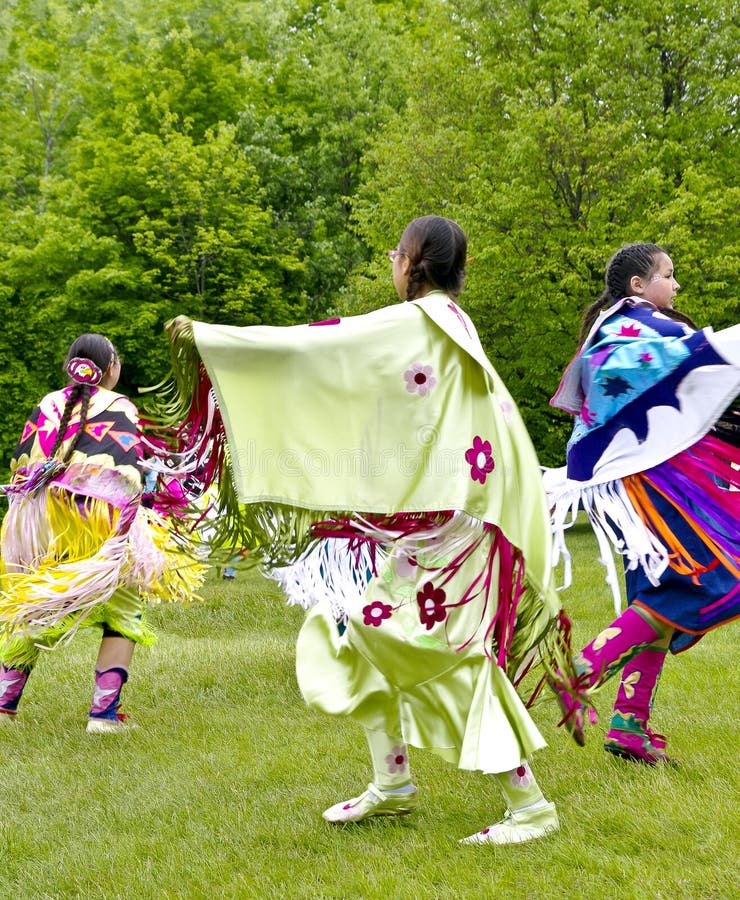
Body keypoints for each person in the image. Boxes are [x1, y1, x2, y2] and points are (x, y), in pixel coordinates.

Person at [158, 215, 568, 845]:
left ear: (413, 261)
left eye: (396, 254)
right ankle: (393, 783)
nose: (392, 263)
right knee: (358, 635)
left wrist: (214, 340)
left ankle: (530, 806)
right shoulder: (447, 321)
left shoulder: (417, 320)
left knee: (448, 656)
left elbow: (318, 348)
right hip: (445, 521)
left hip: (449, 529)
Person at [547, 243, 740, 763]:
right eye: (668, 275)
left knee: (658, 593)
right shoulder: (637, 324)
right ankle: (581, 671)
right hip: (647, 487)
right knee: (707, 579)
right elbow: (704, 355)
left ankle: (629, 724)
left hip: (632, 489)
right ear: (638, 285)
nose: (675, 286)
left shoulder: (616, 329)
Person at [0, 333, 201, 732]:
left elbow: (24, 470)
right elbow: (128, 474)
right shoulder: (120, 405)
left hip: (49, 527)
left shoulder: (48, 403)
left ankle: (4, 706)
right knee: (124, 609)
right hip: (102, 525)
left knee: (41, 605)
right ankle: (103, 716)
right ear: (111, 368)